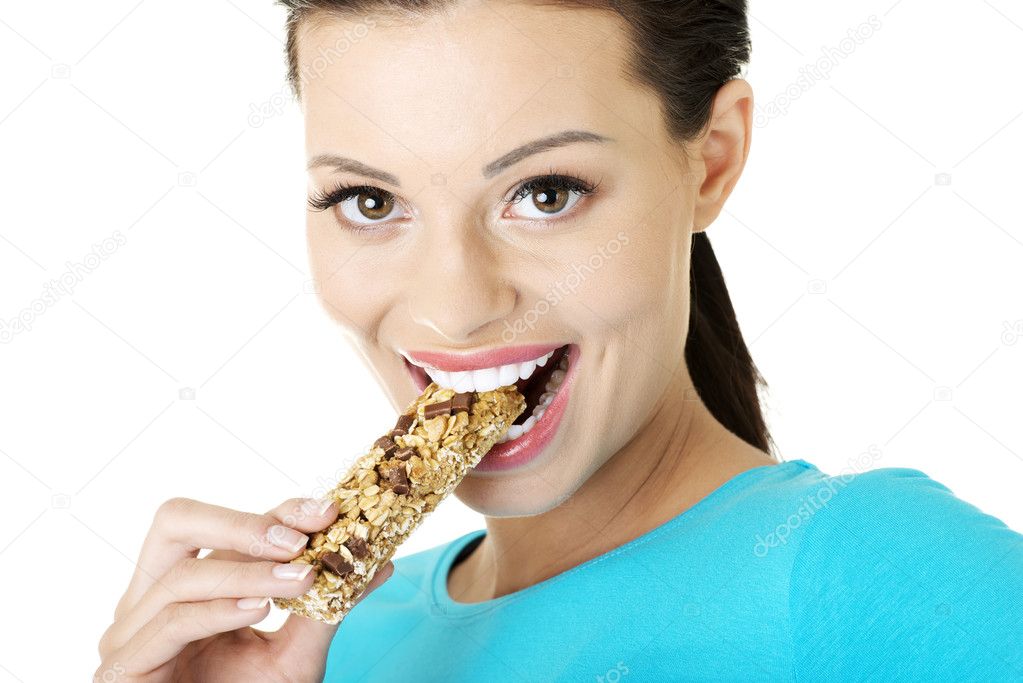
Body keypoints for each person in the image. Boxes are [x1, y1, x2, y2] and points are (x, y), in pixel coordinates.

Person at [96, 0, 1023, 680]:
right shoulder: (307, 648)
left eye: (545, 192)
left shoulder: (874, 575)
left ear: (711, 158)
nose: (454, 307)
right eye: (370, 202)